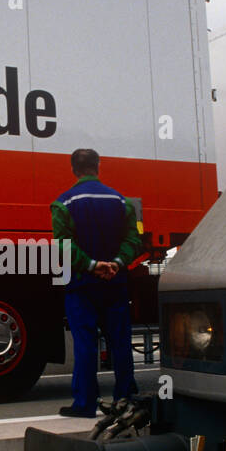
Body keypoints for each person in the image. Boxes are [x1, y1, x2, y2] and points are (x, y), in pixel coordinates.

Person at [51, 149, 142, 418]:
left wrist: (92, 265)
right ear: (98, 166)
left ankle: (85, 403)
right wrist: (116, 263)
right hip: (115, 284)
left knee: (85, 344)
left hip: (82, 285)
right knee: (120, 342)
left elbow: (64, 247)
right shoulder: (122, 203)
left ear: (73, 169)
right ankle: (125, 399)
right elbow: (134, 241)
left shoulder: (62, 204)